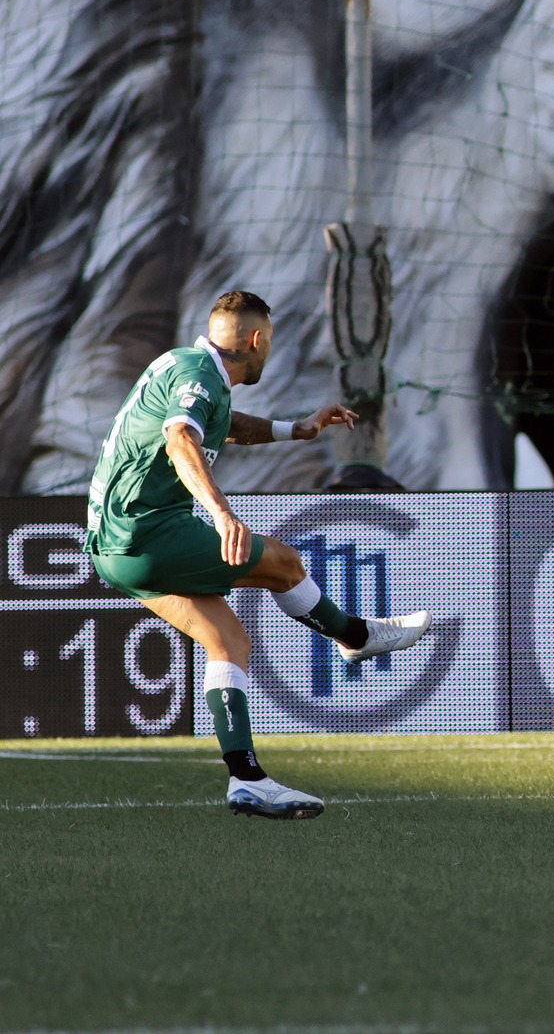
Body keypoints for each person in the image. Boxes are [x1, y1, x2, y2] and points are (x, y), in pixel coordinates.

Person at [84, 291, 431, 819]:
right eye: (269, 342)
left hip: (113, 548)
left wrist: (299, 428)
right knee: (285, 565)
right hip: (145, 533)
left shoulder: (190, 369)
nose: (269, 352)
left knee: (228, 641)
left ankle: (247, 781)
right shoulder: (199, 375)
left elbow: (227, 427)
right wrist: (223, 514)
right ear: (256, 339)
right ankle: (355, 637)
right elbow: (181, 439)